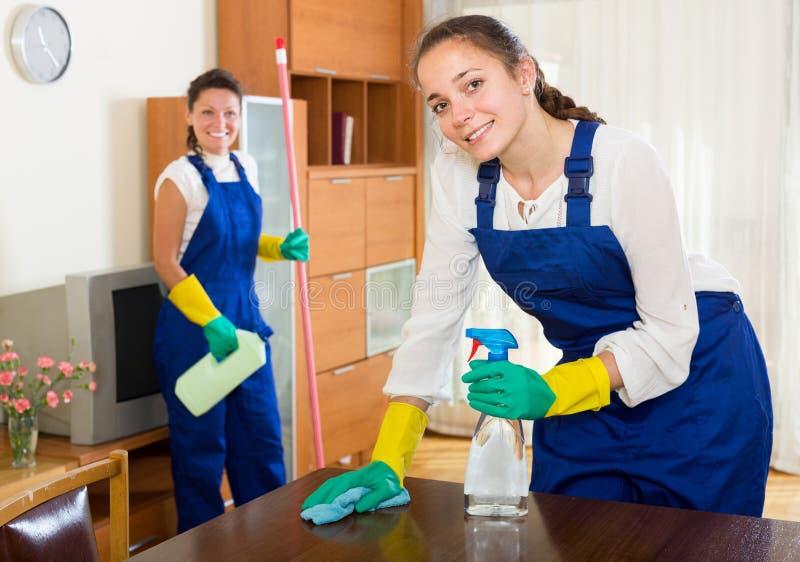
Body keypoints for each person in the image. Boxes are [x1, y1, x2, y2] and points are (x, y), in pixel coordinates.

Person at [303, 15, 773, 517]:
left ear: (524, 75)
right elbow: (434, 315)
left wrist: (549, 390)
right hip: (586, 376)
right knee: (574, 534)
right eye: (440, 103)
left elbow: (668, 334)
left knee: (697, 544)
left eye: (474, 84)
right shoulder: (459, 176)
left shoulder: (622, 161)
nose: (459, 113)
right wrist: (390, 459)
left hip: (697, 373)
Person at [152, 68, 309, 532]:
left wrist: (278, 246)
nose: (219, 122)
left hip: (246, 327)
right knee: (201, 459)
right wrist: (209, 321)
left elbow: (238, 239)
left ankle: (268, 546)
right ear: (190, 115)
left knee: (260, 446)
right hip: (194, 335)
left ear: (239, 117)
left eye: (229, 113)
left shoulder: (246, 165)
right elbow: (164, 261)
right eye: (207, 112)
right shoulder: (179, 178)